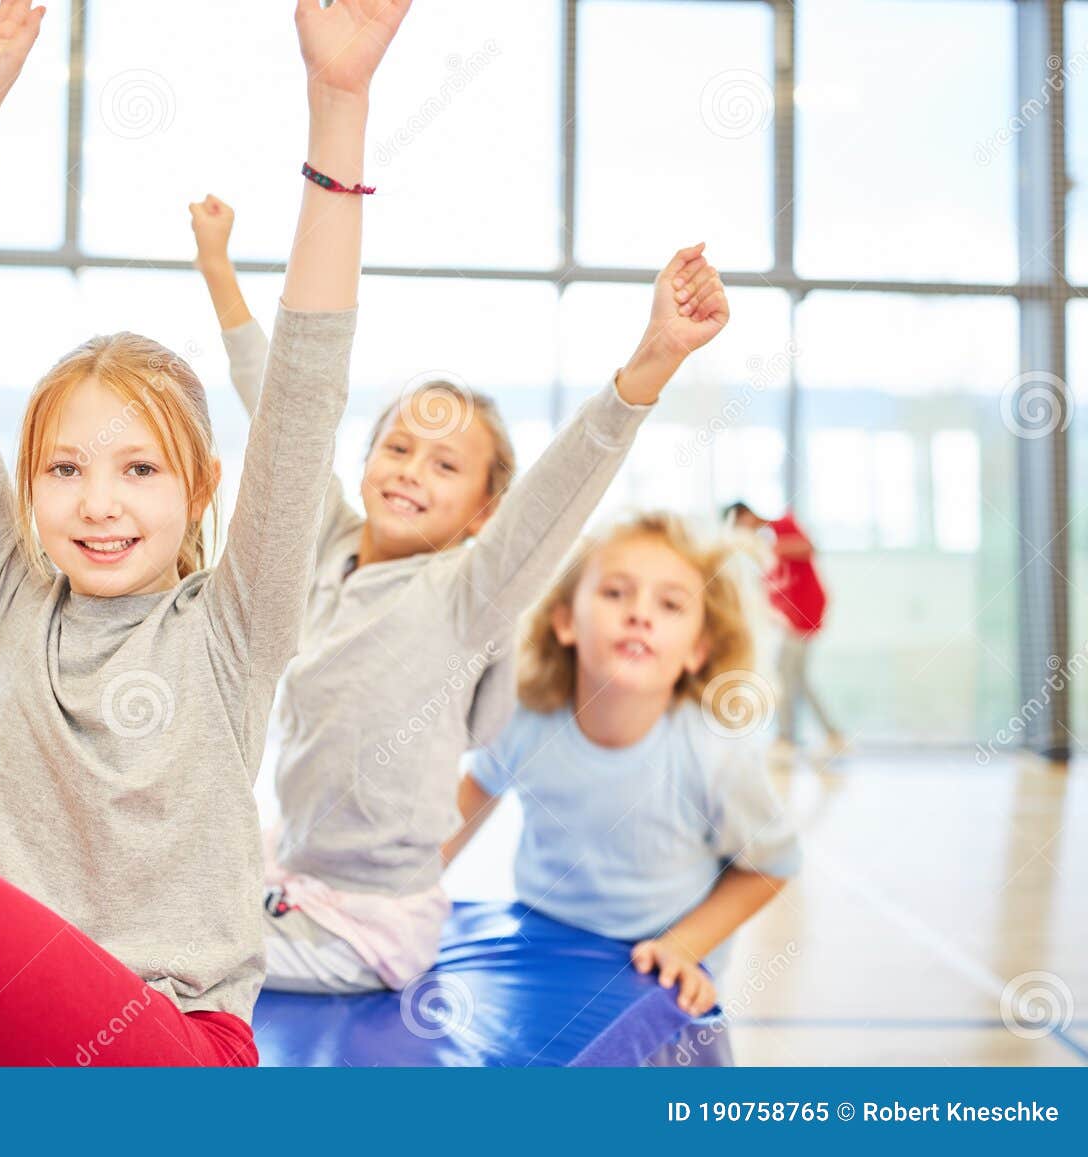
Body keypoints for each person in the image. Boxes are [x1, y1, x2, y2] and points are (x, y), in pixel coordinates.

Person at [0, 0, 413, 1066]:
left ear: (199, 491)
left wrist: (339, 103)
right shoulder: (17, 605)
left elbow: (301, 393)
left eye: (138, 469)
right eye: (65, 469)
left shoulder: (233, 627)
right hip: (6, 1048)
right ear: (31, 489)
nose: (99, 502)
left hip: (171, 1056)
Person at [191, 194, 730, 994]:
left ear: (484, 511)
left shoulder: (470, 590)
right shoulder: (330, 540)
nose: (411, 468)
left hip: (363, 924)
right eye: (399, 447)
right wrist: (219, 272)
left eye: (445, 465)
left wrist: (652, 361)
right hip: (289, 871)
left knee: (162, 950)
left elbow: (560, 488)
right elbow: (280, 410)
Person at [444, 511, 800, 1017]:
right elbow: (465, 805)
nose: (639, 614)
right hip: (542, 945)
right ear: (566, 621)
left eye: (671, 604)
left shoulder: (713, 753)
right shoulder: (526, 721)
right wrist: (396, 891)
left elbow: (770, 866)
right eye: (615, 593)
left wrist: (684, 946)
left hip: (657, 967)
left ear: (697, 651)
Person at [725, 501, 847, 762]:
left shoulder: (781, 526)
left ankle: (787, 740)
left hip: (805, 615)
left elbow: (808, 548)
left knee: (787, 676)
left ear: (746, 516)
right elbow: (771, 588)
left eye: (739, 525)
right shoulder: (760, 549)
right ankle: (829, 736)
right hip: (790, 621)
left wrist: (766, 547)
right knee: (795, 678)